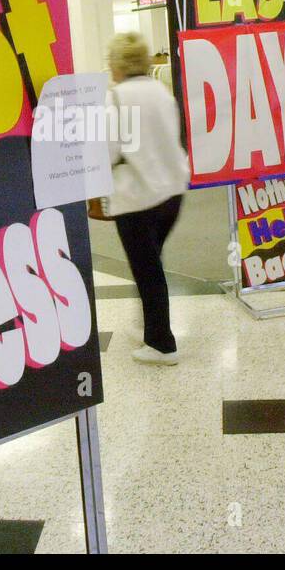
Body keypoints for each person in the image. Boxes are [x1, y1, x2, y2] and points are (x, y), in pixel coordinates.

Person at [105, 32, 189, 366]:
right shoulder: (161, 92)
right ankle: (150, 322)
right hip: (172, 194)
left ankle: (161, 344)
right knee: (152, 264)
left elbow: (109, 150)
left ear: (118, 64)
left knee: (147, 269)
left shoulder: (115, 99)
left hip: (137, 198)